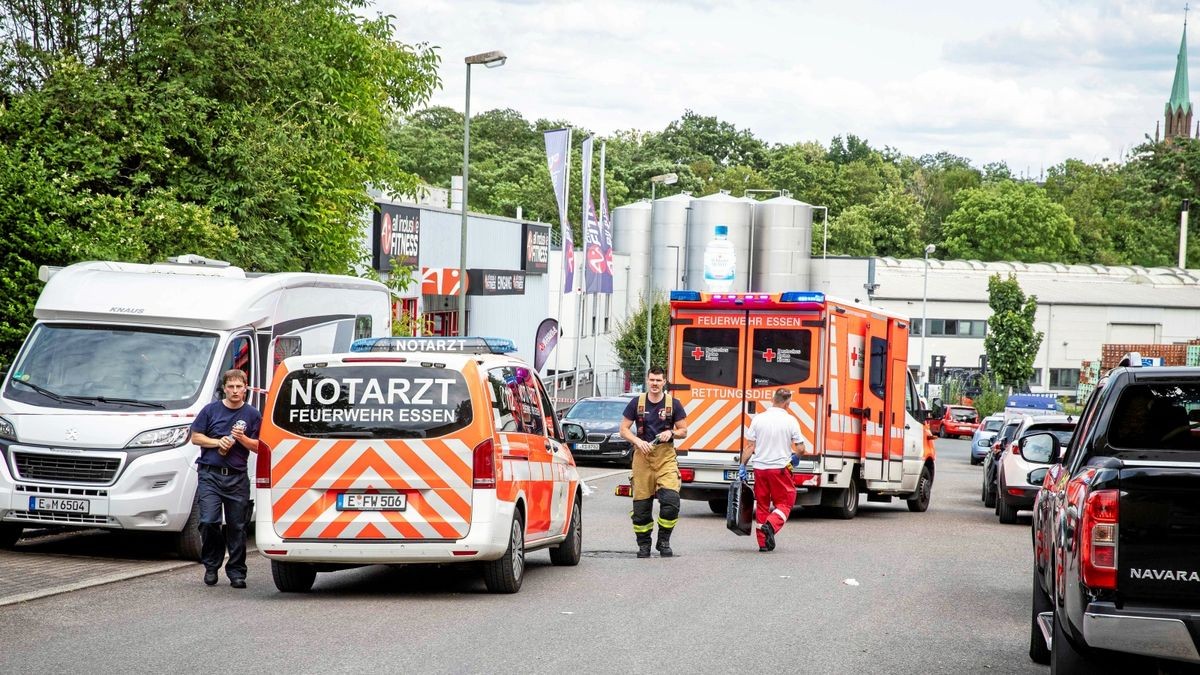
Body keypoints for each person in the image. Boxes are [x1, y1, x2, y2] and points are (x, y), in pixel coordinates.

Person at [190, 369, 262, 588]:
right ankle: (212, 565)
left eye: (239, 387)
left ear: (245, 388)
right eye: (230, 387)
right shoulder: (210, 410)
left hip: (237, 478)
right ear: (224, 388)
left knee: (237, 527)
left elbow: (259, 446)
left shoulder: (252, 414)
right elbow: (195, 437)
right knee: (208, 521)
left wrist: (242, 438)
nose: (235, 391)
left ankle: (237, 572)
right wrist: (217, 442)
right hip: (210, 474)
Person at [620, 366, 688, 558]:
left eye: (658, 380)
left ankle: (664, 541)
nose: (655, 384)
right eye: (652, 380)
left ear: (664, 381)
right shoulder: (636, 403)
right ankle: (643, 545)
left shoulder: (673, 404)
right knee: (641, 507)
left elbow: (684, 430)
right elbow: (623, 429)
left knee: (671, 502)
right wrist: (638, 442)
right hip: (642, 457)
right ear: (647, 380)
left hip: (665, 457)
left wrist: (671, 432)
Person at [738, 388, 806, 552]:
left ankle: (763, 543)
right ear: (787, 403)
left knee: (762, 505)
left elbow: (749, 446)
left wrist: (742, 466)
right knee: (785, 503)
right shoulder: (790, 421)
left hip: (760, 469)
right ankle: (770, 525)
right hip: (780, 469)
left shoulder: (758, 419)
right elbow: (801, 448)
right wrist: (795, 458)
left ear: (772, 400)